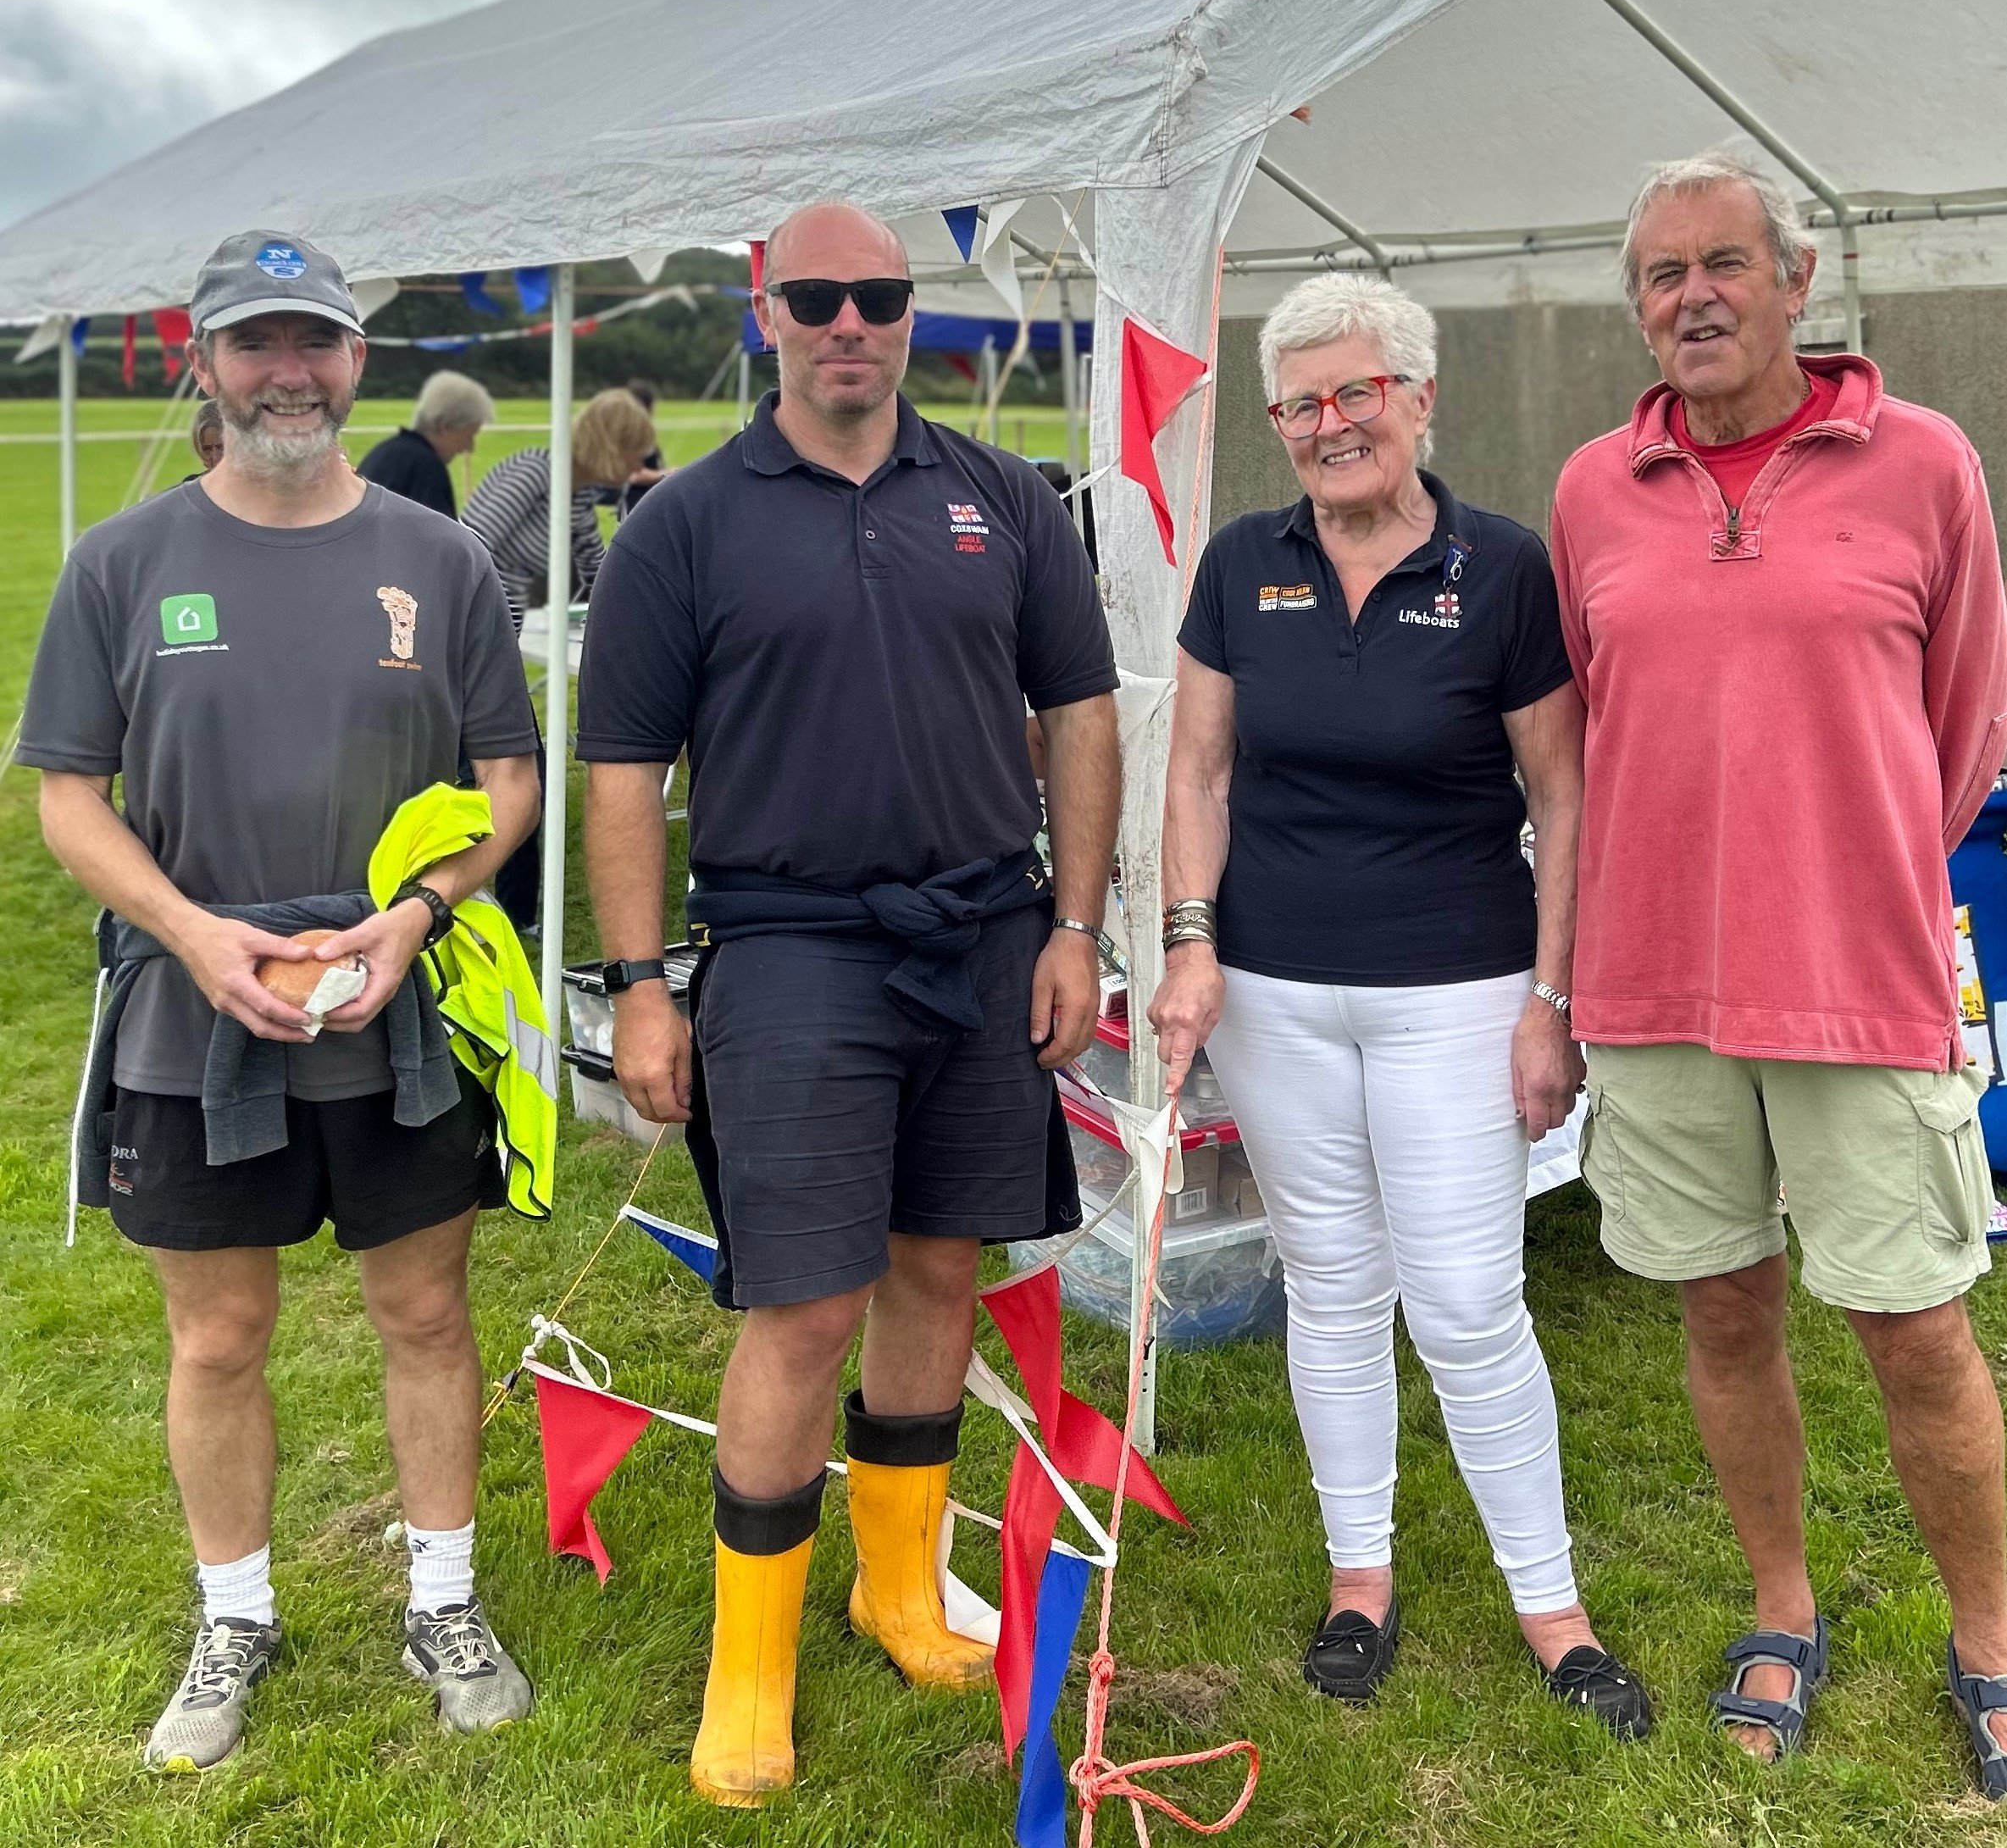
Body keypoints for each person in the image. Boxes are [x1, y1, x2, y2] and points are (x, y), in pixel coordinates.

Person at [578, 202, 1119, 1806]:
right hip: (790, 947)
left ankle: (895, 1583)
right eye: (813, 296)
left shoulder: (1001, 496)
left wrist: (1075, 923)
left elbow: (1077, 715)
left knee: (936, 1268)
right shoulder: (682, 524)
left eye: (876, 295)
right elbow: (620, 776)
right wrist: (637, 989)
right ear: (764, 312)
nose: (846, 322)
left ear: (907, 313)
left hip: (979, 935)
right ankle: (748, 1666)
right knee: (804, 1302)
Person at [16, 230, 543, 1771]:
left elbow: (507, 778)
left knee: (426, 1310)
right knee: (221, 1337)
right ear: (206, 359)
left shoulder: (435, 557)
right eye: (257, 344)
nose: (289, 372)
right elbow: (66, 795)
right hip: (199, 1012)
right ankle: (233, 1613)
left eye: (315, 341)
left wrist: (418, 912)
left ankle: (441, 1597)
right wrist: (189, 932)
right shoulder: (124, 563)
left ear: (356, 359)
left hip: (395, 1004)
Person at [1550, 153, 2007, 1788]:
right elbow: (1595, 724)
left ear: (1793, 279)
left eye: (1720, 263)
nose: (1690, 296)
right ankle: (1779, 1602)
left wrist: (1846, 874)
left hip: (1853, 980)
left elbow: (1961, 727)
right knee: (1722, 1312)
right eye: (1658, 274)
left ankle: (1989, 1643)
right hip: (1656, 989)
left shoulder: (1923, 463)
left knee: (1916, 1330)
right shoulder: (1590, 487)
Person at [1147, 272, 1652, 1738]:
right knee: (1333, 1284)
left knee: (1466, 1300)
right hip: (1274, 998)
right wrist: (1186, 942)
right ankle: (1355, 1579)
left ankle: (1547, 1605)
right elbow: (1195, 773)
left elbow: (1560, 794)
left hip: (1457, 988)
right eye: (1298, 404)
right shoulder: (1241, 562)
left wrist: (1551, 996)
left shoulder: (1496, 567)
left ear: (1417, 398)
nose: (1327, 425)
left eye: (1353, 393)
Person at [463, 388, 656, 628]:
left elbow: (600, 572)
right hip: (476, 623)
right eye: (636, 454)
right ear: (612, 447)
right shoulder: (535, 471)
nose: (640, 466)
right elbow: (469, 546)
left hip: (505, 622)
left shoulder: (580, 496)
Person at [357, 369, 496, 519]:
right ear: (445, 426)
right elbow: (443, 539)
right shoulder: (426, 467)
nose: (469, 447)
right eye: (469, 436)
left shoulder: (385, 452)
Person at [617, 377, 670, 519]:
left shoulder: (641, 432)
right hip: (634, 508)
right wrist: (666, 474)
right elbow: (632, 475)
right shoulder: (630, 436)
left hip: (648, 506)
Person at [187, 398, 225, 475]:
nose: (215, 457)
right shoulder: (190, 486)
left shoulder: (254, 485)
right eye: (207, 449)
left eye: (221, 447)